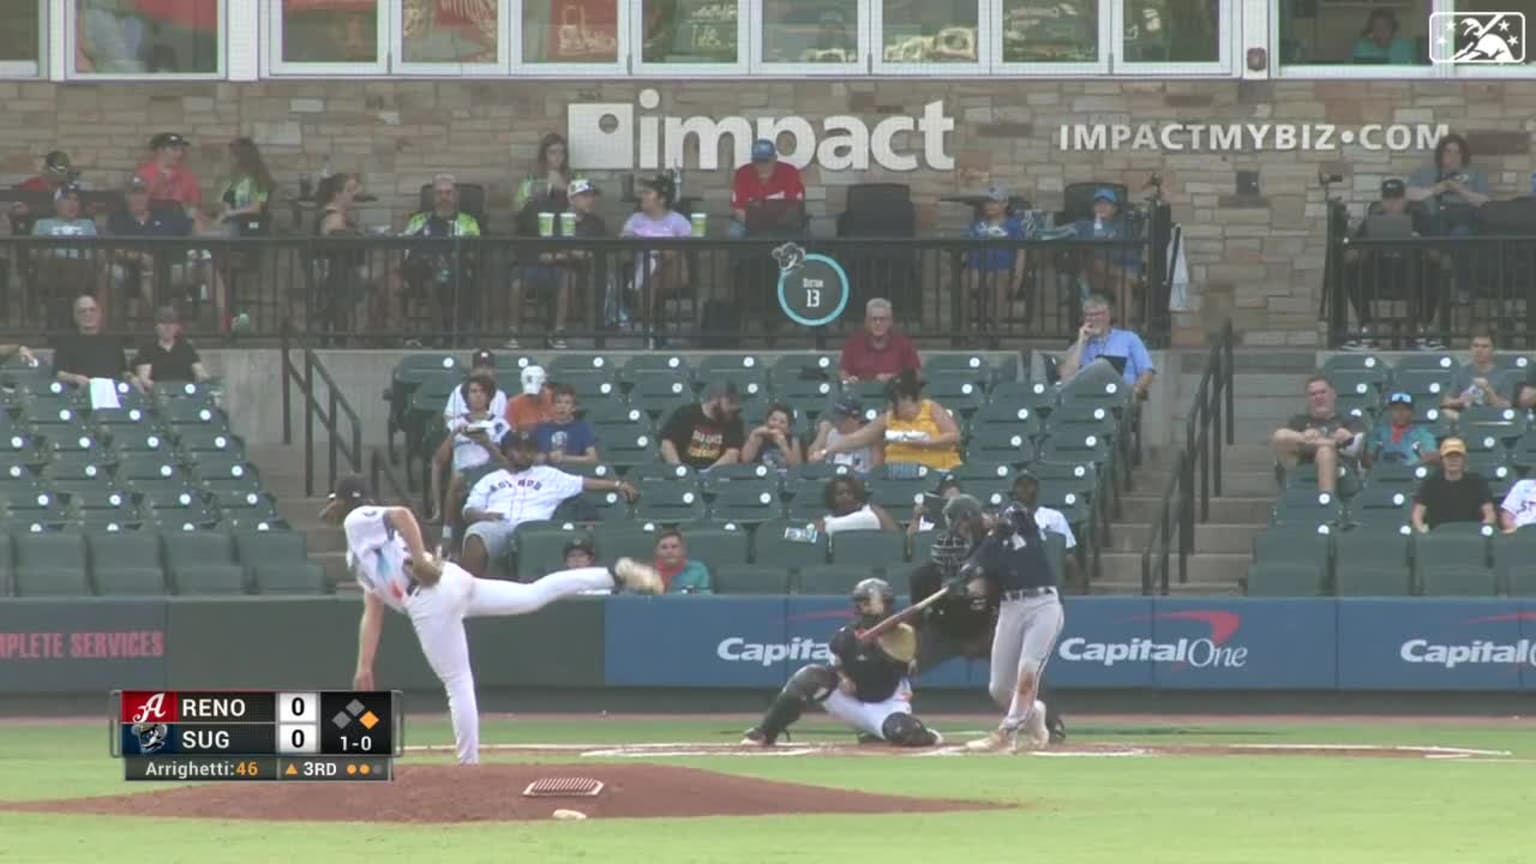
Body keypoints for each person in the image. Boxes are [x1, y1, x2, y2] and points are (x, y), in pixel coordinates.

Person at [323, 473, 660, 766]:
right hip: (450, 581)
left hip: (428, 596)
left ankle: (469, 767)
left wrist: (421, 558)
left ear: (341, 501)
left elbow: (400, 513)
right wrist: (364, 664)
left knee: (457, 681)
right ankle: (612, 576)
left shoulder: (356, 520)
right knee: (532, 596)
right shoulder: (359, 558)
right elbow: (373, 609)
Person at [742, 578, 942, 748]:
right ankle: (766, 732)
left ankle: (921, 734)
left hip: (886, 704)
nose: (870, 608)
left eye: (876, 603)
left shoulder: (903, 636)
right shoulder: (844, 637)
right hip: (851, 700)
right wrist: (843, 677)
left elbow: (909, 666)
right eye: (865, 603)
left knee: (906, 733)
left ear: (888, 605)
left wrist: (887, 647)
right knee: (810, 676)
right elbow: (834, 666)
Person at [943, 495, 1062, 753]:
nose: (963, 533)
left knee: (1027, 671)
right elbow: (982, 585)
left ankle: (1007, 733)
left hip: (1043, 604)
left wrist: (970, 568)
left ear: (970, 515)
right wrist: (962, 588)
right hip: (1011, 608)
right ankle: (1036, 716)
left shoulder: (1013, 515)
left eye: (963, 526)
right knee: (998, 688)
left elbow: (1005, 525)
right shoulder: (979, 551)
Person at [459, 432, 639, 580]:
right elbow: (468, 511)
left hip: (534, 529)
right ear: (508, 451)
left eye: (529, 450)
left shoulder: (548, 475)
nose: (525, 454)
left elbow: (583, 483)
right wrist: (482, 517)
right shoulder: (491, 478)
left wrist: (617, 485)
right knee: (476, 533)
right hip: (497, 525)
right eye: (519, 450)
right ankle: (467, 590)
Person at [813, 371, 962, 473]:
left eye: (895, 402)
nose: (891, 407)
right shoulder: (888, 417)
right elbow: (857, 438)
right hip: (899, 472)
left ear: (908, 398)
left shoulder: (930, 407)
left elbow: (954, 436)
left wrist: (925, 443)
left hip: (936, 468)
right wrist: (826, 451)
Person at [1341, 178, 1428, 351]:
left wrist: (1418, 242)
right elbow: (1349, 256)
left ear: (1405, 200)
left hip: (1411, 275)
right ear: (1382, 201)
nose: (1392, 204)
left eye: (1397, 199)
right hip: (1380, 276)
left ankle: (1421, 331)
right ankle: (1367, 330)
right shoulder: (1372, 221)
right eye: (1388, 199)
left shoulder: (1420, 219)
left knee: (1430, 271)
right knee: (1353, 272)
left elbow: (1437, 254)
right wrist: (1367, 248)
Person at [1407, 133, 1490, 313]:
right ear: (1440, 154)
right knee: (1426, 240)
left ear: (1463, 156)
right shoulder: (1424, 173)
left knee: (1460, 235)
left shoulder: (1475, 174)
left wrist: (1461, 190)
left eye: (1457, 153)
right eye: (1448, 151)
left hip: (1464, 221)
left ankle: (1463, 287)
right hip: (1434, 222)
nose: (1452, 156)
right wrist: (1437, 188)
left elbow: (1485, 202)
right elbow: (1409, 195)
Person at [402, 173, 483, 335]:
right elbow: (405, 251)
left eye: (448, 193)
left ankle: (452, 332)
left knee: (446, 280)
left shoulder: (469, 221)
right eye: (439, 193)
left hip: (457, 273)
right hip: (422, 273)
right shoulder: (418, 220)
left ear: (456, 196)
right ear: (432, 197)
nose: (444, 197)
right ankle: (439, 334)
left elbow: (474, 251)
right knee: (430, 281)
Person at [106, 175, 194, 318]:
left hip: (171, 267)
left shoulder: (165, 216)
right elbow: (111, 248)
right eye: (134, 194)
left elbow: (191, 228)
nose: (138, 198)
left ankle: (224, 321)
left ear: (148, 196)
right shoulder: (118, 219)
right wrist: (140, 257)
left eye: (142, 193)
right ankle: (162, 322)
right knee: (146, 275)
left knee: (207, 264)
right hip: (136, 269)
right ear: (126, 197)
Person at [429, 372, 510, 524]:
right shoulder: (455, 424)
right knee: (457, 478)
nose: (478, 395)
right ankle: (447, 530)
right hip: (462, 473)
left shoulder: (501, 425)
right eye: (473, 391)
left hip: (490, 472)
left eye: (482, 391)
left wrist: (486, 443)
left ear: (489, 396)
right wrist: (453, 434)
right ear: (466, 397)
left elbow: (505, 462)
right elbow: (440, 459)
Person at [620, 174, 692, 340]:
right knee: (651, 267)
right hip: (648, 272)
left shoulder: (677, 221)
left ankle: (647, 325)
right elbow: (624, 236)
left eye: (648, 193)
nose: (642, 197)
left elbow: (688, 244)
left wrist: (660, 251)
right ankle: (652, 328)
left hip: (673, 272)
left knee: (657, 258)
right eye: (642, 193)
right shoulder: (636, 219)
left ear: (662, 199)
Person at [1272, 374, 1366, 495]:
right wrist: (1305, 437)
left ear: (1333, 394)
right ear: (1308, 399)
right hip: (1300, 465)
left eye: (1323, 392)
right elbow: (1281, 441)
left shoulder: (1349, 421)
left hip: (1341, 471)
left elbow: (1361, 448)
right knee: (1279, 435)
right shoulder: (1298, 421)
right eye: (1313, 394)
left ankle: (1326, 502)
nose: (1318, 397)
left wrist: (1348, 438)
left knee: (1325, 452)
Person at [1057, 293, 1155, 398]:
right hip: (1089, 398)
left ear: (1108, 316)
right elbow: (1066, 377)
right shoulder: (1079, 346)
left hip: (1122, 397)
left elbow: (1147, 372)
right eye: (1089, 315)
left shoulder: (1129, 339)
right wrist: (1082, 341)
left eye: (1098, 314)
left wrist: (1134, 392)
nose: (1093, 319)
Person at [31, 183, 100, 329]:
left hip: (85, 270)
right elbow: (35, 251)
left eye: (75, 200)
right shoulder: (43, 224)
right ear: (56, 204)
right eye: (67, 199)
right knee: (57, 262)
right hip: (54, 271)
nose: (72, 204)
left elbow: (95, 249)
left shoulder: (87, 224)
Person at [964, 184, 1031, 329]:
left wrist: (1018, 277)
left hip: (1003, 271)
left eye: (994, 202)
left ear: (1005, 203)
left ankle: (994, 333)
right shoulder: (976, 225)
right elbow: (966, 248)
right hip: (977, 270)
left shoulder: (1015, 226)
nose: (989, 205)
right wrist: (971, 267)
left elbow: (1021, 252)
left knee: (998, 280)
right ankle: (963, 332)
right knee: (963, 281)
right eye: (987, 202)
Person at [1069, 188, 1143, 298]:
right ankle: (1130, 276)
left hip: (1119, 274)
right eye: (1098, 203)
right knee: (1094, 261)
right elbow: (1062, 234)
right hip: (1094, 274)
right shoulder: (1083, 225)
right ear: (1092, 208)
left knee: (1123, 285)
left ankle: (1123, 316)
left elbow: (1130, 253)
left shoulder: (1124, 226)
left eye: (1107, 203)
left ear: (1114, 209)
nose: (1102, 206)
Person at [1412, 438, 1494, 533]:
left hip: (1471, 537)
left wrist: (1481, 532)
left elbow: (1489, 514)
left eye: (1457, 456)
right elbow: (1417, 515)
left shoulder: (1477, 482)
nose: (1453, 460)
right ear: (1442, 459)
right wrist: (1423, 532)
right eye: (1449, 457)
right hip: (1437, 538)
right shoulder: (1430, 483)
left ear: (1464, 459)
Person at [659, 381, 746, 470]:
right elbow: (667, 444)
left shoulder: (735, 421)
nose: (732, 409)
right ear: (716, 399)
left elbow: (732, 454)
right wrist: (680, 471)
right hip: (683, 470)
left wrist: (708, 474)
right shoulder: (686, 413)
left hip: (715, 476)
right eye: (730, 402)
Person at [51, 294, 132, 389]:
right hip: (79, 394)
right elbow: (58, 373)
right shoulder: (65, 342)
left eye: (92, 310)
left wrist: (132, 378)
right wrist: (75, 378)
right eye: (82, 311)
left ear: (99, 313)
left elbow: (123, 371)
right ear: (75, 316)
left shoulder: (113, 342)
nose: (88, 314)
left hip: (112, 393)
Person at [730, 138, 805, 237]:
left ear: (775, 158)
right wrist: (758, 228)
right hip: (750, 224)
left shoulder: (789, 172)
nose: (762, 165)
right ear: (752, 160)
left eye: (766, 161)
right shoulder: (743, 173)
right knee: (733, 232)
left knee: (803, 235)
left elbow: (794, 207)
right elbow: (739, 209)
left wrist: (774, 227)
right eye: (758, 161)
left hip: (783, 223)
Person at [839, 298, 921, 383]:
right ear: (866, 322)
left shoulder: (904, 345)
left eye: (882, 319)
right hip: (861, 392)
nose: (878, 323)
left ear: (890, 322)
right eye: (874, 319)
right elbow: (843, 374)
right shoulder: (853, 345)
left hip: (895, 392)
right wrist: (849, 380)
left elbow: (916, 375)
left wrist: (894, 378)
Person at [132, 306, 209, 389]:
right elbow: (144, 379)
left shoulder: (187, 348)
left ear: (176, 327)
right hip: (158, 394)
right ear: (156, 327)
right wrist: (163, 390)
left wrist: (205, 380)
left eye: (171, 323)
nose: (167, 327)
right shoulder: (147, 350)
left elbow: (200, 372)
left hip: (185, 394)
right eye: (163, 323)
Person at [1362, 392, 1439, 470]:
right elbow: (1368, 457)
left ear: (1413, 412)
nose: (1400, 413)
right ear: (1389, 412)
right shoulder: (1378, 433)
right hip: (1381, 476)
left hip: (1412, 475)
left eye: (1405, 409)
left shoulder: (1422, 434)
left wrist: (1411, 467)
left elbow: (1432, 456)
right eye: (1396, 409)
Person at [1442, 331, 1512, 415]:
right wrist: (1461, 400)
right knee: (1446, 412)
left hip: (1493, 419)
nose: (1479, 350)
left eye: (1485, 346)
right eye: (1476, 346)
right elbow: (1445, 402)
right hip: (1467, 418)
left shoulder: (1502, 375)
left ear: (1493, 350)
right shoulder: (1462, 373)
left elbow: (1507, 407)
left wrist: (1489, 391)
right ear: (1470, 348)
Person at [808, 395, 881, 474]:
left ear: (855, 419)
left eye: (841, 419)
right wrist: (823, 432)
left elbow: (877, 468)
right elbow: (810, 459)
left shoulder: (870, 435)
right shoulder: (831, 433)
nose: (837, 422)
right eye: (835, 418)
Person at [218, 137, 274, 236]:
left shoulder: (260, 179)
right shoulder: (234, 178)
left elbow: (257, 207)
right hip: (233, 224)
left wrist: (232, 213)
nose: (229, 159)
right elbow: (227, 202)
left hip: (251, 226)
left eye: (232, 155)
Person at [532, 383, 599, 465]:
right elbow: (531, 458)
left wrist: (565, 458)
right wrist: (547, 457)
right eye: (558, 402)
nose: (562, 406)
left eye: (567, 403)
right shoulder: (541, 429)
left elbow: (592, 458)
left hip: (574, 474)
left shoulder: (582, 428)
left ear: (573, 407)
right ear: (552, 406)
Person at [443, 349, 508, 430]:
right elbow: (449, 418)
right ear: (473, 371)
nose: (484, 371)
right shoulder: (459, 390)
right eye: (480, 367)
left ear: (494, 371)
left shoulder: (500, 395)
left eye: (488, 368)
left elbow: (502, 423)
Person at [135, 133, 201, 210]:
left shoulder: (186, 175)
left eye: (181, 150)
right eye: (174, 149)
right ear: (160, 150)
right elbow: (136, 206)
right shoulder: (143, 174)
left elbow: (195, 204)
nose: (179, 154)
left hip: (178, 219)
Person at [818, 475, 899, 535]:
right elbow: (806, 540)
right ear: (831, 497)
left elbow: (896, 536)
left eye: (849, 492)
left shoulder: (874, 511)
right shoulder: (824, 522)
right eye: (840, 493)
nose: (845, 496)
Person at [514, 133, 573, 214]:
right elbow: (518, 207)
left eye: (561, 152)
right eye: (553, 152)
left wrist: (564, 187)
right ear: (544, 155)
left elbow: (583, 203)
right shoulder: (532, 178)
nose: (558, 157)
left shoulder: (573, 176)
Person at [740, 403, 803, 470]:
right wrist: (754, 434)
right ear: (767, 421)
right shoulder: (759, 436)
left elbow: (797, 468)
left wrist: (784, 446)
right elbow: (745, 460)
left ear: (788, 428)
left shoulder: (794, 440)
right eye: (773, 420)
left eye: (782, 422)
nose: (776, 424)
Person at [655, 530, 712, 594]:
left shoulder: (697, 570)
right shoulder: (648, 573)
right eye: (664, 547)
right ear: (657, 551)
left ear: (683, 550)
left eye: (674, 547)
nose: (669, 551)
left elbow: (705, 597)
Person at [506, 365, 555, 433]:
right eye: (529, 395)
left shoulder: (555, 400)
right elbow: (511, 431)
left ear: (544, 385)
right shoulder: (513, 404)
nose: (532, 397)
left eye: (534, 394)